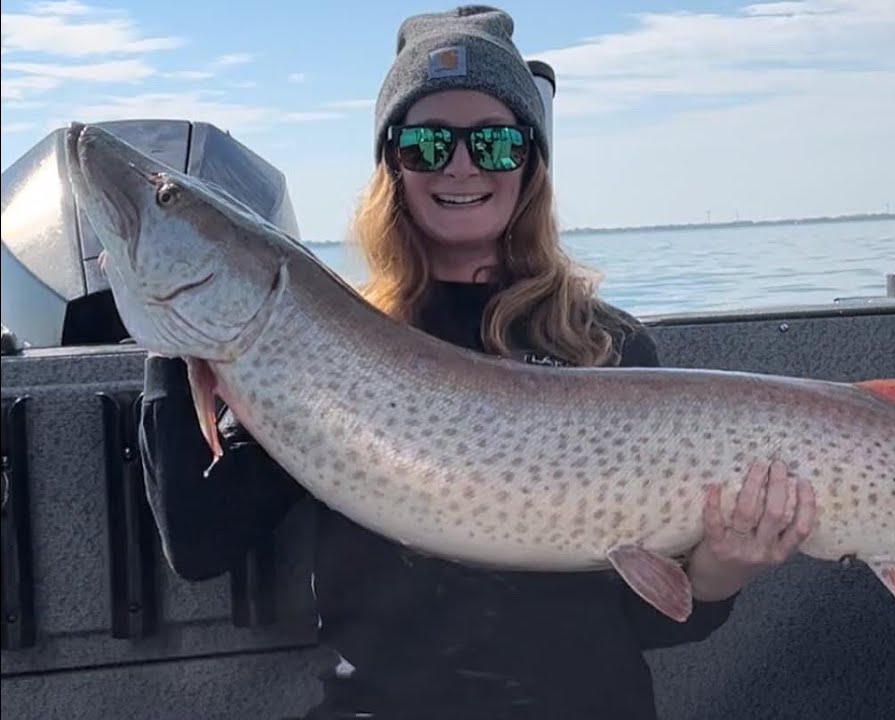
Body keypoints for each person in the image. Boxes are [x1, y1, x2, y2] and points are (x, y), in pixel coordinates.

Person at [137, 6, 817, 720]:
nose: (460, 165)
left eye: (493, 143)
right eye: (427, 144)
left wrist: (724, 568)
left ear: (530, 162)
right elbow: (200, 542)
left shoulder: (608, 348)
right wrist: (176, 328)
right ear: (391, 165)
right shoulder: (327, 342)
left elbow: (653, 623)